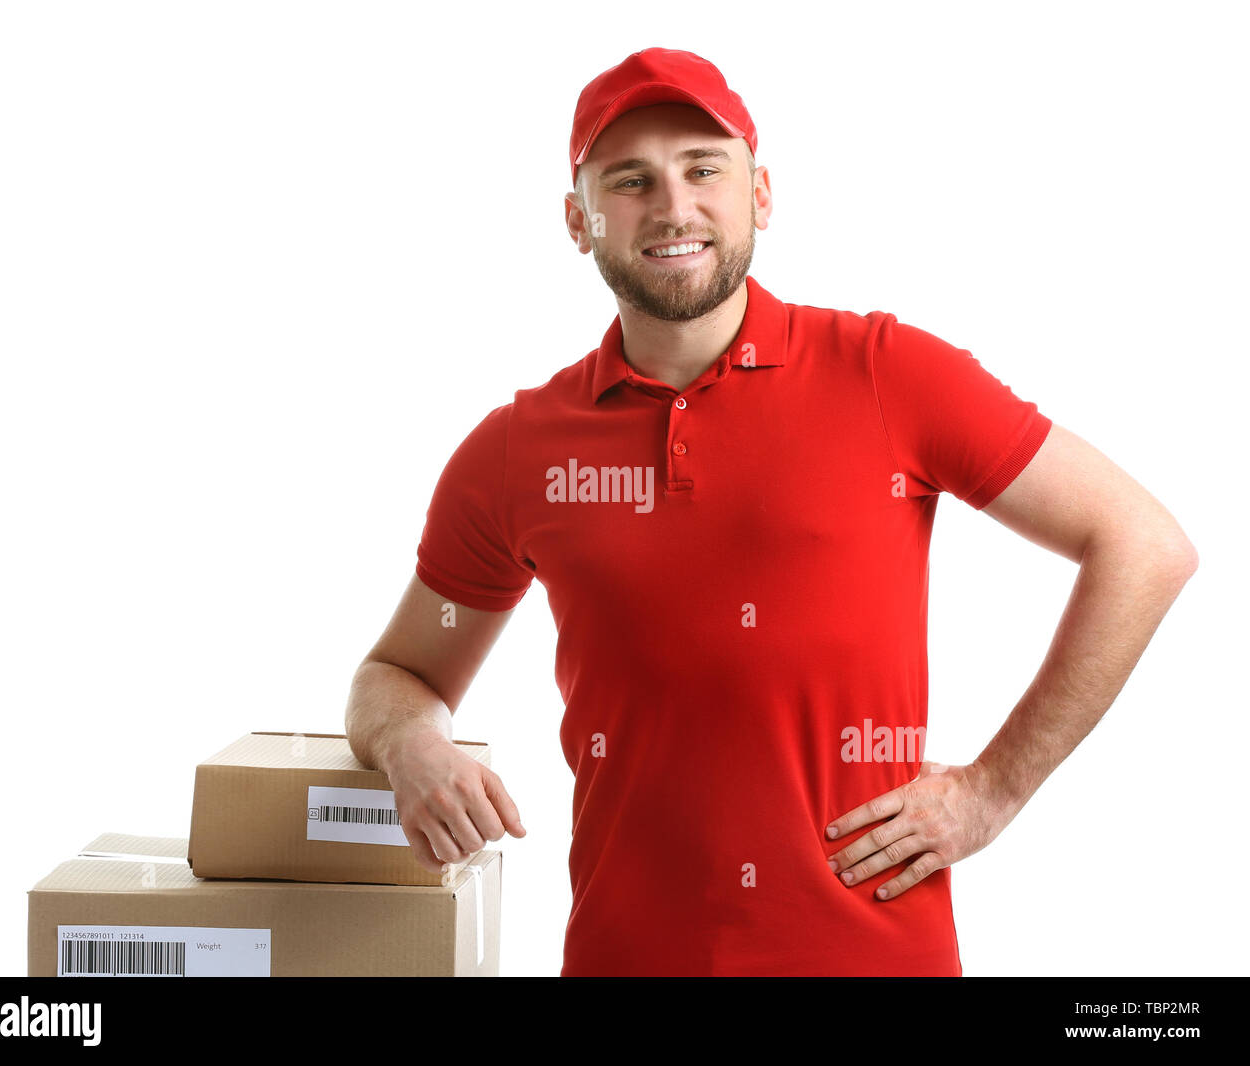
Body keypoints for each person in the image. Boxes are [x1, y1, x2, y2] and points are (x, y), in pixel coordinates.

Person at [344, 48, 1198, 976]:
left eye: (703, 169)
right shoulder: (518, 452)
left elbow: (1143, 545)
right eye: (630, 181)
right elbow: (397, 673)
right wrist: (413, 745)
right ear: (577, 221)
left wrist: (993, 791)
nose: (674, 207)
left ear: (761, 192)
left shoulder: (886, 374)